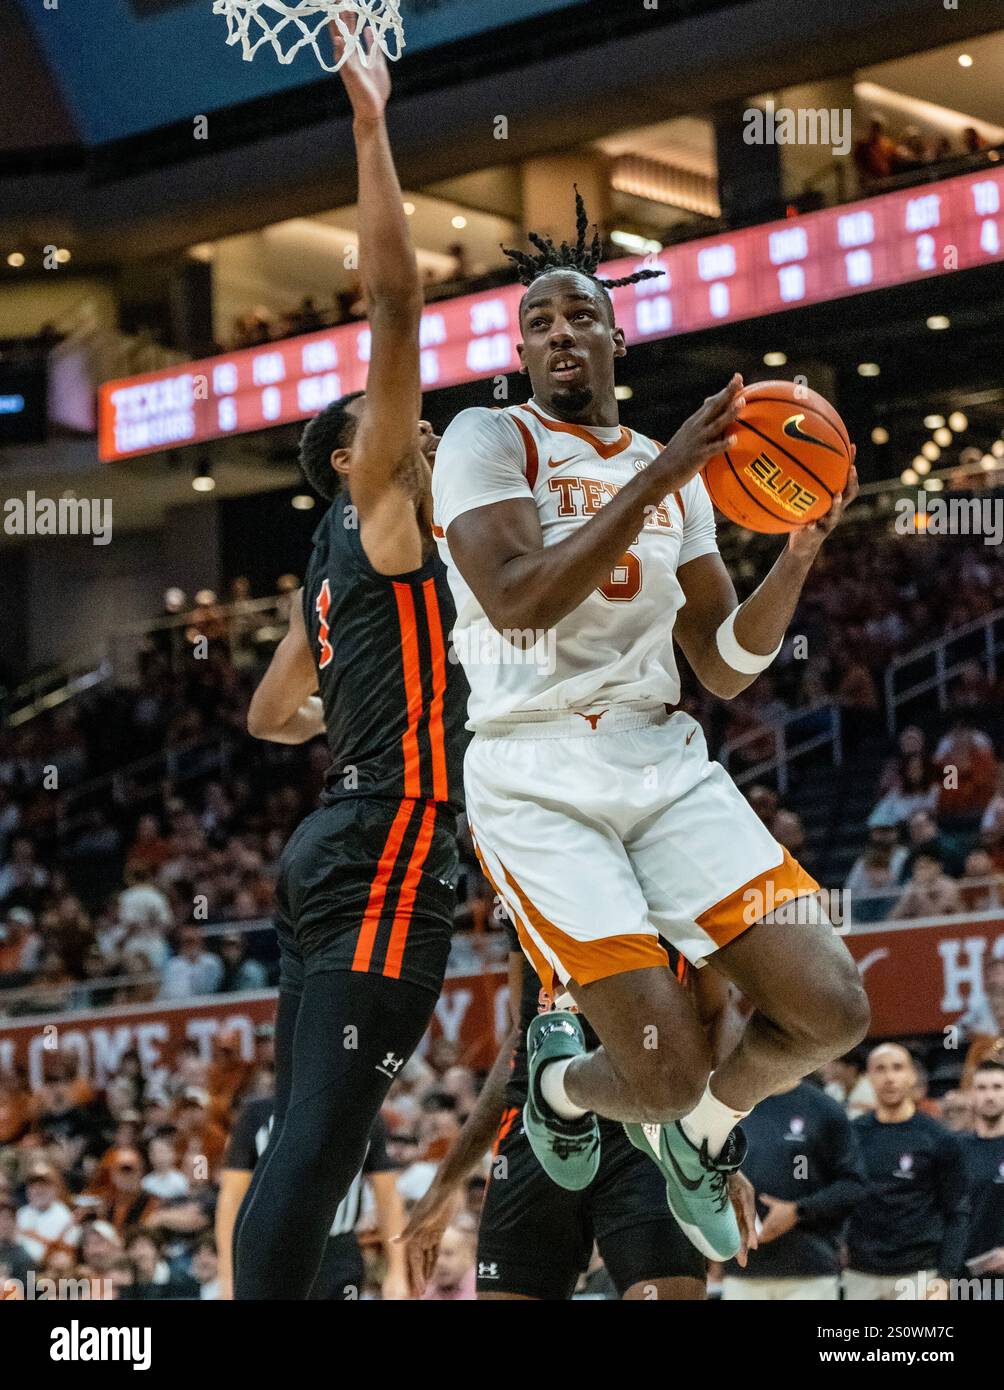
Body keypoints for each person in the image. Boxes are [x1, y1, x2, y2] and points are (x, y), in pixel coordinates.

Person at [431, 189, 867, 1262]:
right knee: (656, 1068)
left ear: (614, 333)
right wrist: (666, 466)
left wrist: (797, 556)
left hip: (659, 753)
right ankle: (561, 1084)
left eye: (578, 314)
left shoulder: (680, 483)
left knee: (829, 1008)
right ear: (520, 350)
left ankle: (706, 1137)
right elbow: (521, 598)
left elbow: (721, 663)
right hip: (533, 771)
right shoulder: (488, 440)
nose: (558, 333)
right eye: (537, 322)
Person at [232, 30, 469, 1301]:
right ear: (357, 455)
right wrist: (372, 125)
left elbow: (274, 711)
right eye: (402, 428)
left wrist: (369, 689)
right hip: (385, 835)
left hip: (340, 831)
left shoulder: (335, 568)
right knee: (320, 1143)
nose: (420, 432)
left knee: (313, 1142)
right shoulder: (378, 506)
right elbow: (396, 304)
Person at [400, 920, 756, 1300]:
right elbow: (524, 1035)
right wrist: (446, 1182)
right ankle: (558, 1092)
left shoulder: (672, 876)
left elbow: (716, 1013)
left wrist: (711, 1145)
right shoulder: (524, 875)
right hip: (537, 1127)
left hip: (648, 1134)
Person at [218, 1095, 408, 1300]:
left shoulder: (364, 1113)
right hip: (271, 1248)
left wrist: (398, 1271)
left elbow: (388, 1198)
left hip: (337, 1252)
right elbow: (231, 1199)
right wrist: (227, 1275)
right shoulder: (257, 1114)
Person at [721, 1077, 865, 1300]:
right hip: (741, 1270)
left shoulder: (824, 1108)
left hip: (809, 1271)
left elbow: (853, 1185)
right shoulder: (729, 1106)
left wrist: (798, 1210)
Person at [844, 1044, 969, 1300]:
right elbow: (840, 1197)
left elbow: (958, 1212)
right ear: (868, 1077)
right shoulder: (852, 1135)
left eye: (898, 1068)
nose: (889, 1078)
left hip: (919, 1273)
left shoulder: (939, 1138)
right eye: (880, 1069)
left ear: (912, 1076)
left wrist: (946, 1277)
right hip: (860, 1273)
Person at [960, 1061, 1004, 1290]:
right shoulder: (955, 1148)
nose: (990, 1095)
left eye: (997, 1087)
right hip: (963, 1276)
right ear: (971, 1095)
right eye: (982, 1088)